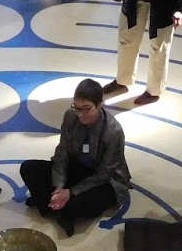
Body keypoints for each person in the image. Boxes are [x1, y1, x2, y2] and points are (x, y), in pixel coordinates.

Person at [19, 77, 130, 236]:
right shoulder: (70, 116)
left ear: (99, 105)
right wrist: (59, 187)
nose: (80, 114)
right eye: (76, 108)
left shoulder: (113, 131)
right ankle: (58, 204)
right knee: (29, 168)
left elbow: (104, 174)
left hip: (104, 180)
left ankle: (55, 205)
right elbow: (62, 154)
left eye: (86, 109)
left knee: (91, 202)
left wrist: (71, 192)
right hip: (76, 168)